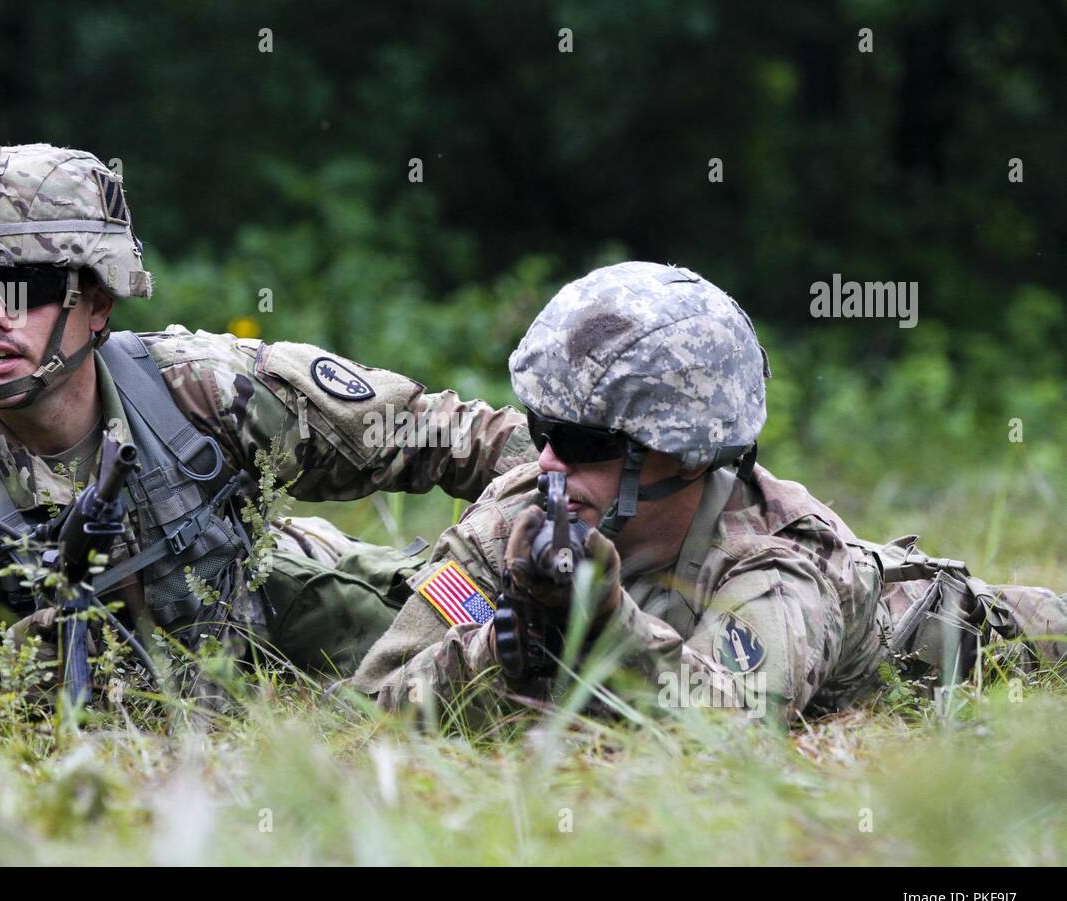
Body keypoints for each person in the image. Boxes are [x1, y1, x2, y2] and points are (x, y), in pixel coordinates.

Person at [0, 141, 534, 706]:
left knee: (491, 632)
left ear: (99, 302)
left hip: (268, 604)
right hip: (116, 739)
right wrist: (70, 632)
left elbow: (454, 438)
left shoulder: (200, 389)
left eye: (26, 287)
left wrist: (606, 486)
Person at [350, 261, 1067, 724]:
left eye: (587, 443)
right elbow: (374, 704)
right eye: (543, 429)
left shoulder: (780, 562)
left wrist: (600, 621)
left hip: (925, 622)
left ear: (687, 457)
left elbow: (726, 726)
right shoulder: (531, 509)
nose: (546, 462)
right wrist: (508, 647)